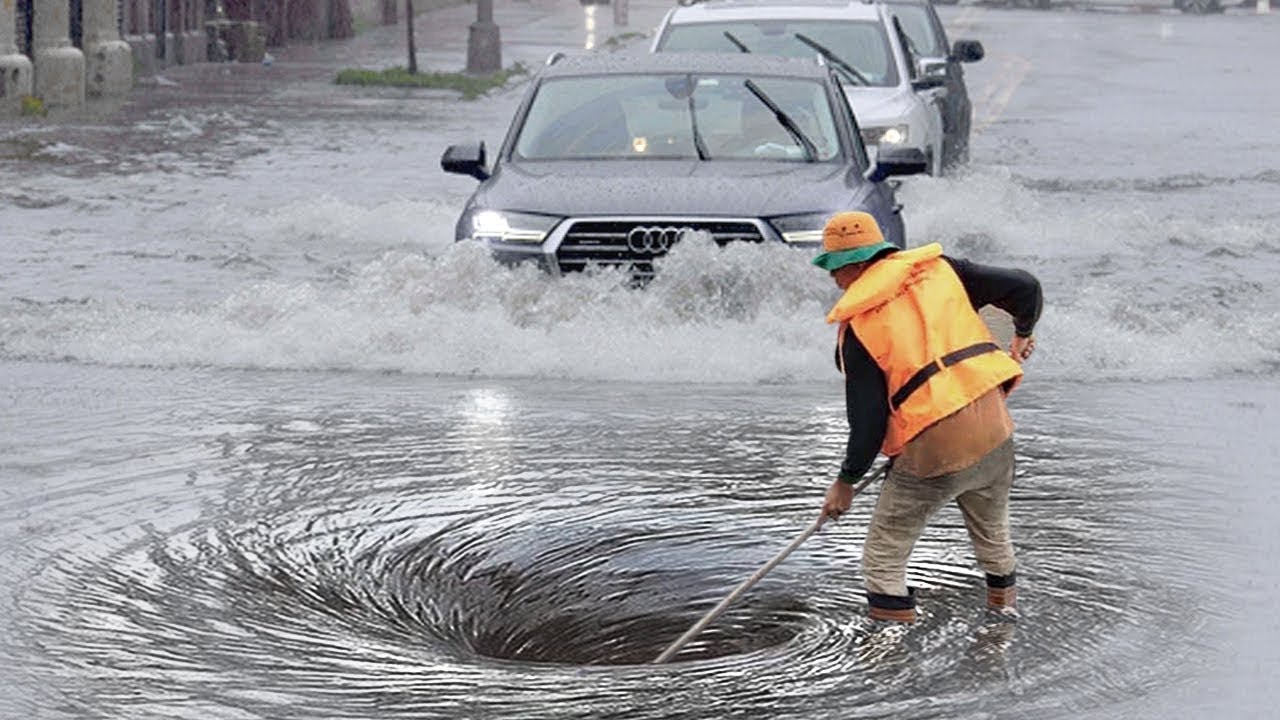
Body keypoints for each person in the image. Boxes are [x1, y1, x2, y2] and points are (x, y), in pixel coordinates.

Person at [812, 211, 1042, 624]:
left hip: (936, 447)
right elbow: (1025, 287)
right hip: (995, 428)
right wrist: (1022, 333)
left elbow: (868, 424)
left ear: (857, 265)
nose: (834, 280)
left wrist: (845, 483)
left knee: (884, 557)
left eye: (835, 269)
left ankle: (891, 648)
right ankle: (1002, 625)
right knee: (993, 538)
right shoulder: (943, 270)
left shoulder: (860, 327)